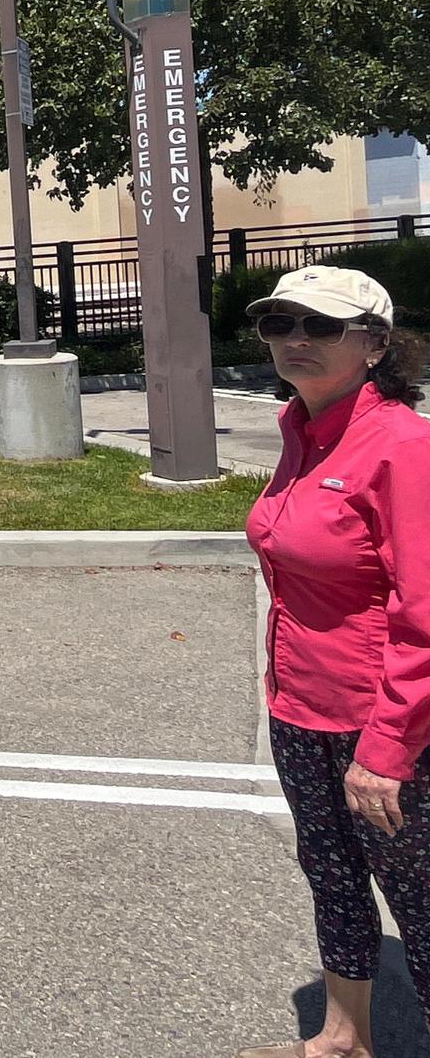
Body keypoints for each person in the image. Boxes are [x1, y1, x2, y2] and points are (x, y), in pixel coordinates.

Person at [240, 265, 430, 1058]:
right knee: (334, 877)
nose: (295, 340)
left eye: (320, 327)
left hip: (383, 724)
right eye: (280, 324)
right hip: (299, 710)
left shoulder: (404, 448)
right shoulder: (300, 431)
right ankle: (345, 1039)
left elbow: (424, 616)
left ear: (375, 346)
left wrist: (386, 750)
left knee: (420, 901)